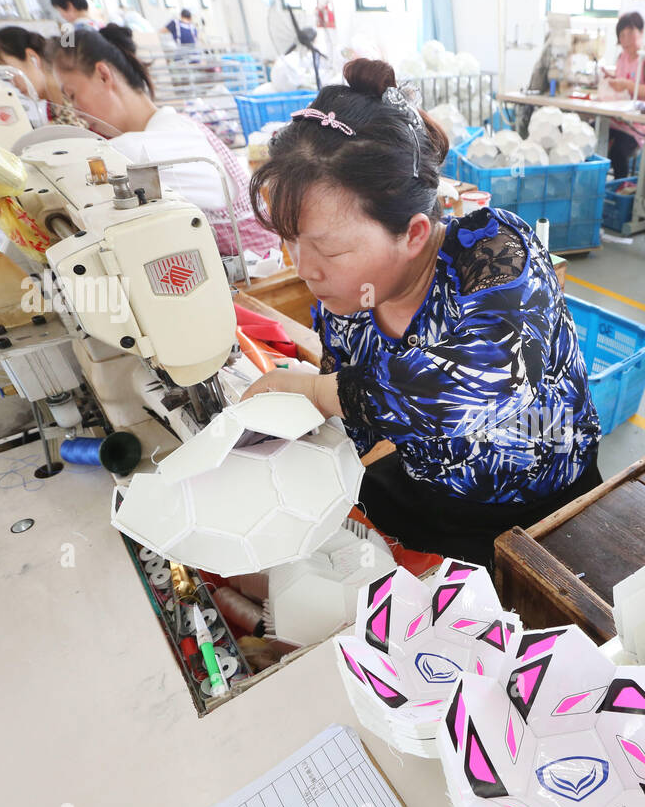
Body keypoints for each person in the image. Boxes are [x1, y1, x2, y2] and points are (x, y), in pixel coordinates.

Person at [243, 59, 603, 567]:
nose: (305, 270)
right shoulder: (349, 304)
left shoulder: (493, 251)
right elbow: (360, 416)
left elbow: (486, 382)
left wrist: (317, 392)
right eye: (290, 242)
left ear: (413, 234)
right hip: (432, 493)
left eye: (331, 250)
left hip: (545, 511)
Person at [51, 25, 279, 258]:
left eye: (72, 95)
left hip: (256, 280)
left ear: (103, 75)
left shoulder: (143, 147)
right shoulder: (171, 126)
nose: (75, 111)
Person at [0, 26, 88, 128]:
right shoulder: (53, 109)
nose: (13, 83)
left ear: (32, 57)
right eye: (6, 79)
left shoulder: (77, 100)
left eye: (10, 73)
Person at [602, 11, 645, 179]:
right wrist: (611, 80)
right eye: (622, 35)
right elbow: (623, 82)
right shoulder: (622, 57)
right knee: (590, 137)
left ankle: (620, 189)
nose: (626, 39)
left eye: (630, 33)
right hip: (616, 120)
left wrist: (627, 85)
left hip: (636, 126)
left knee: (617, 153)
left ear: (641, 32)